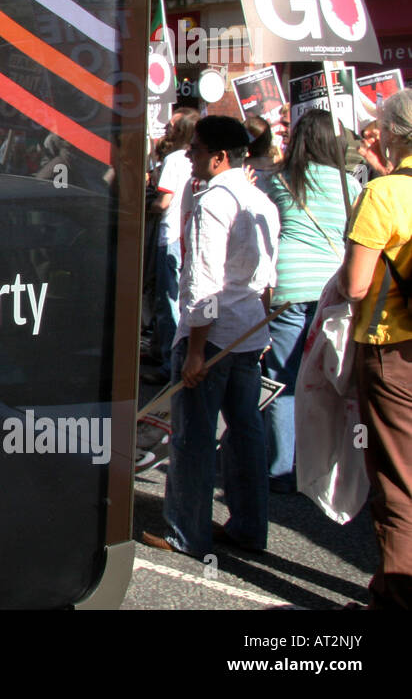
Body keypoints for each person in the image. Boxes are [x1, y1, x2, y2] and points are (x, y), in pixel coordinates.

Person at [141, 116, 279, 558]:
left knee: (195, 438)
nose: (189, 155)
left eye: (197, 149)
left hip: (217, 334)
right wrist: (261, 328)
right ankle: (248, 526)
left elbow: (203, 284)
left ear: (220, 157)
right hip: (246, 330)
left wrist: (196, 350)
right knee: (244, 433)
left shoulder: (215, 201)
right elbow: (267, 278)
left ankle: (187, 532)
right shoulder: (260, 200)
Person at [337, 88, 412, 609]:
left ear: (393, 133)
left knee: (398, 482)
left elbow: (356, 286)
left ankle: (396, 595)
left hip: (391, 350)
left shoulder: (384, 193)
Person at [261, 108, 359, 493]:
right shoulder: (351, 185)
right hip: (332, 289)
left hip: (287, 287)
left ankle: (281, 468)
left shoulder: (281, 182)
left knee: (281, 379)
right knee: (327, 379)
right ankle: (323, 464)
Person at [149, 108, 199, 379]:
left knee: (168, 301)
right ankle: (159, 351)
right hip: (186, 236)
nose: (166, 130)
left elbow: (163, 203)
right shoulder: (193, 160)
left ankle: (170, 364)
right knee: (171, 299)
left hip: (170, 236)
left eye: (170, 127)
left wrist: (143, 206)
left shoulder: (175, 159)